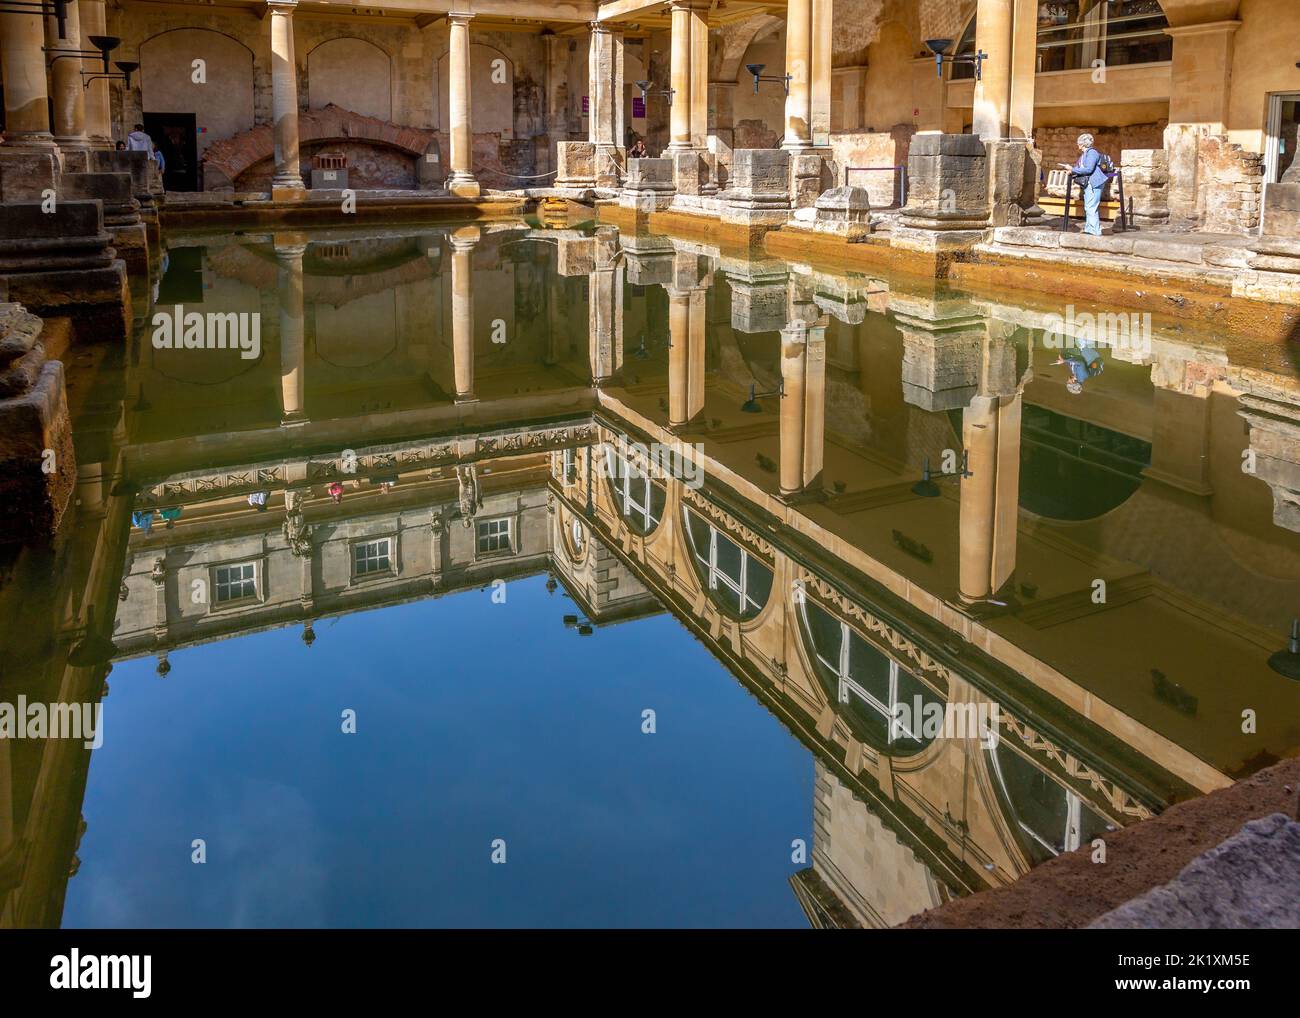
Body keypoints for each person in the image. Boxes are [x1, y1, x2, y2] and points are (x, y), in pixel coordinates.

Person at [1060, 133, 1109, 237]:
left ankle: (1095, 231)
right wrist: (1072, 170)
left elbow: (1088, 169)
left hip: (1094, 182)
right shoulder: (1086, 154)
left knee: (1091, 207)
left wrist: (1072, 169)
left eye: (1079, 143)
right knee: (1088, 207)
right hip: (1090, 183)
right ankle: (1089, 229)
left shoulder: (1092, 153)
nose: (1078, 145)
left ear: (1083, 144)